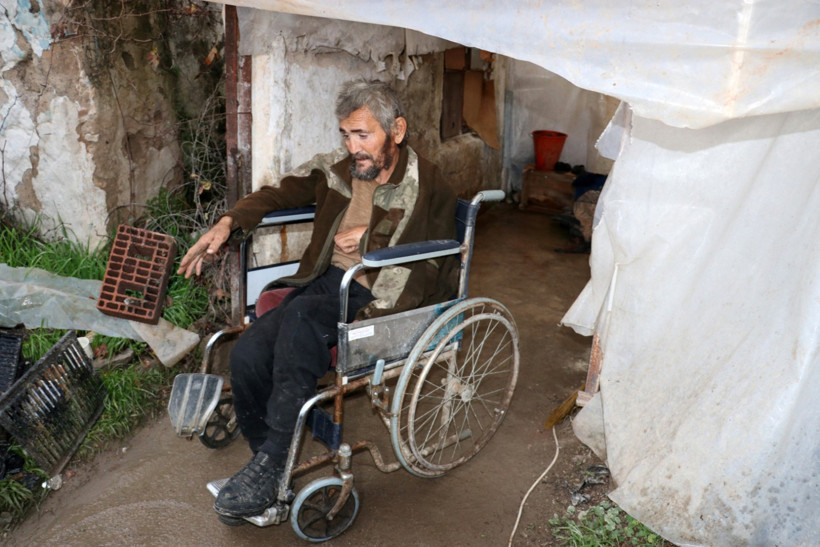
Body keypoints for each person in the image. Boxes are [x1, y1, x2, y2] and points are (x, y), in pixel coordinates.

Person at [177, 79, 459, 522]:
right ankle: (266, 461)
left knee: (303, 318)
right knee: (249, 351)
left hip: (384, 290)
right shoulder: (338, 169)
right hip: (327, 282)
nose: (353, 146)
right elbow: (277, 193)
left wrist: (370, 240)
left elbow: (434, 250)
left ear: (397, 131)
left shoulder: (427, 182)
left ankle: (271, 463)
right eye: (346, 134)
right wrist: (228, 223)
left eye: (363, 135)